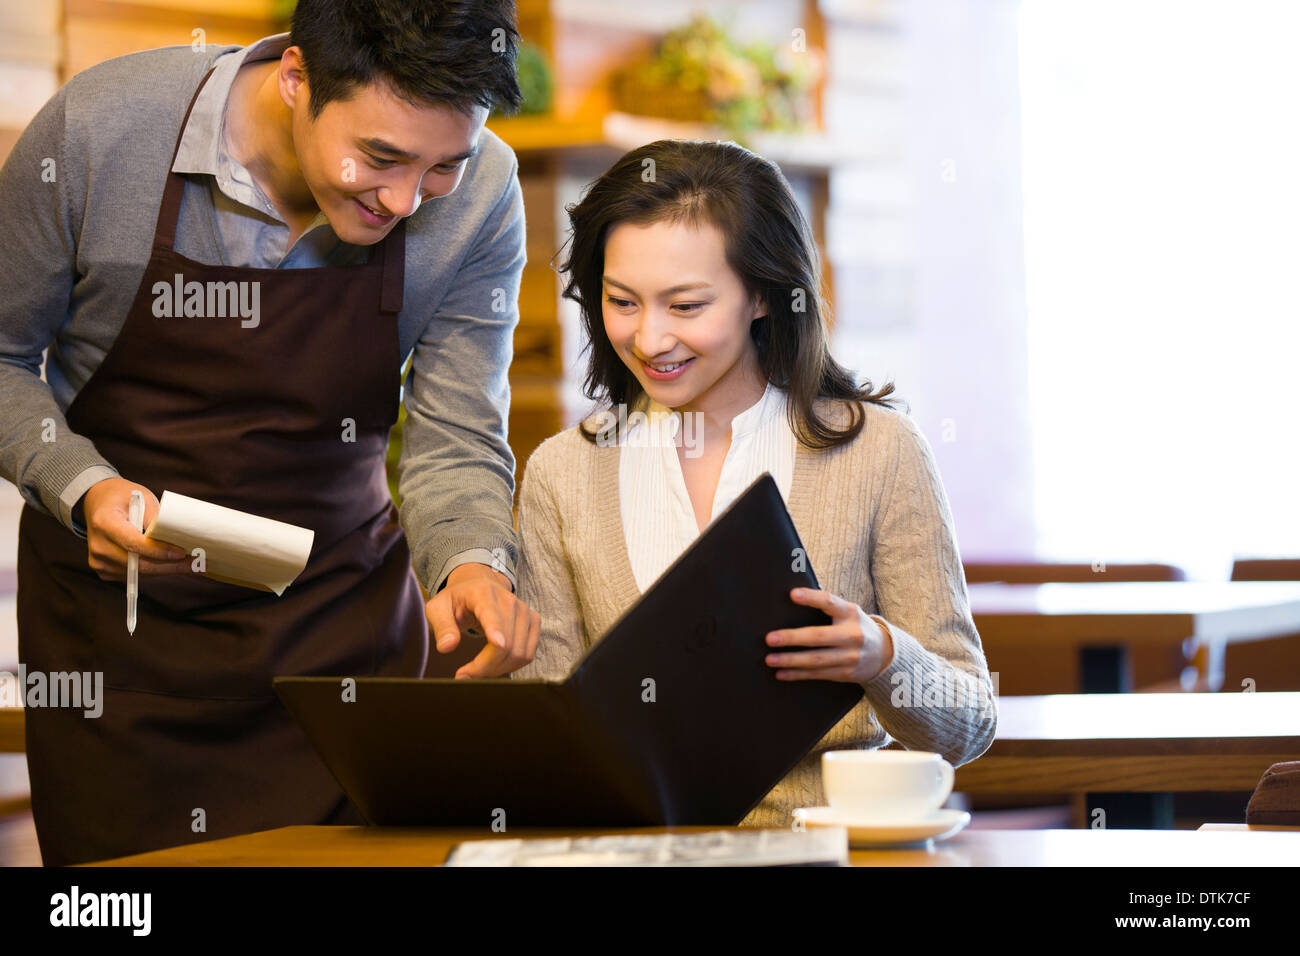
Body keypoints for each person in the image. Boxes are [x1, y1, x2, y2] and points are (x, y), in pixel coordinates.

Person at [0, 0, 540, 865]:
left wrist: (473, 556)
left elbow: (456, 429)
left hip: (344, 645)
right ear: (297, 77)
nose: (406, 200)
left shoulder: (483, 190)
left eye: (443, 165)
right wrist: (81, 488)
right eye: (381, 157)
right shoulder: (100, 133)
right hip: (123, 659)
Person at [512, 139, 997, 825]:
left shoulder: (878, 451)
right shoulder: (565, 472)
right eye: (622, 302)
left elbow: (969, 724)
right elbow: (550, 729)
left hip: (829, 855)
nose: (650, 339)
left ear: (764, 296)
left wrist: (882, 655)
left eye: (686, 307)